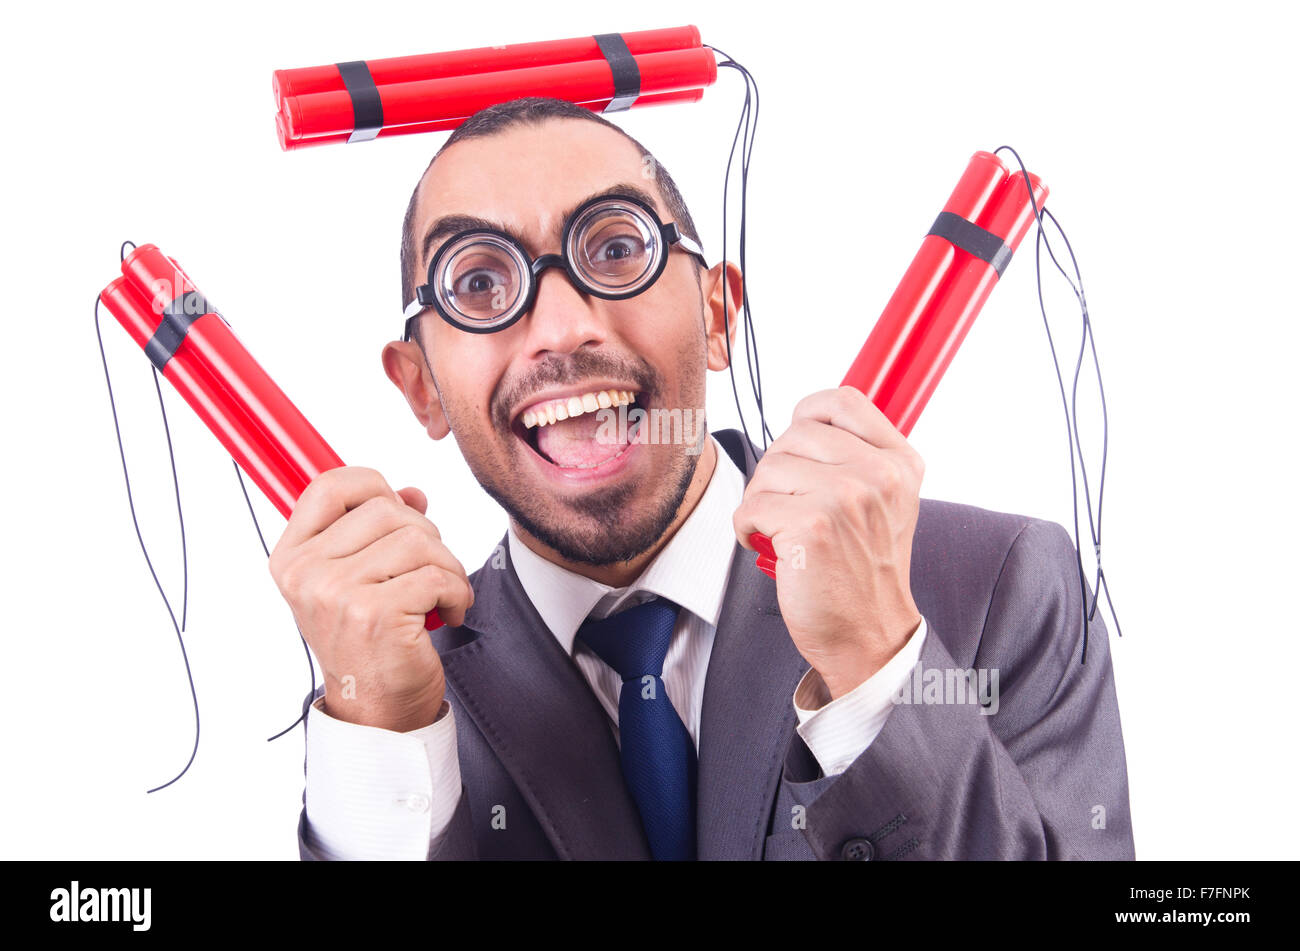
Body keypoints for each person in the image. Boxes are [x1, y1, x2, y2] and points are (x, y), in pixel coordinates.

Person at [270, 96, 1134, 861]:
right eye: (480, 283)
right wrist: (379, 735)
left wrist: (879, 672)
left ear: (717, 316)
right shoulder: (392, 682)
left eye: (615, 249)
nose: (563, 327)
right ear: (422, 386)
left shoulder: (996, 582)